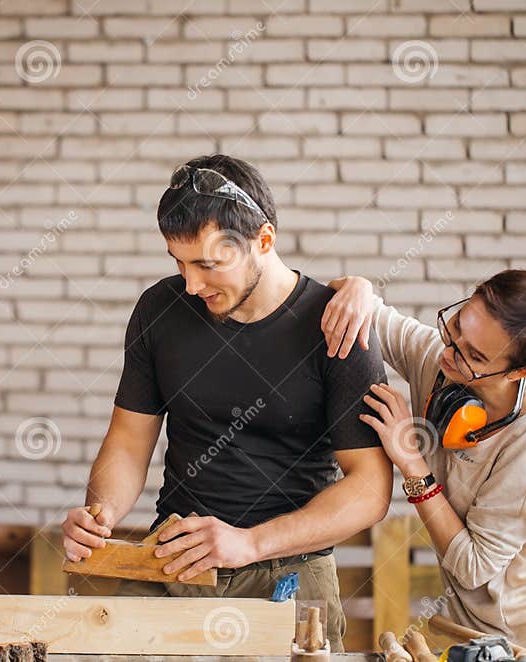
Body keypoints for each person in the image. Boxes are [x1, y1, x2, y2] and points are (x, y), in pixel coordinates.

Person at [61, 154, 393, 652]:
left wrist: (249, 543)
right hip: (174, 560)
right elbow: (129, 442)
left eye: (208, 265)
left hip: (290, 577)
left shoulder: (337, 326)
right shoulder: (160, 309)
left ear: (263, 240)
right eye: (179, 262)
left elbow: (371, 489)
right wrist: (99, 514)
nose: (191, 285)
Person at [322, 270, 526, 651]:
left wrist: (411, 462)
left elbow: (472, 567)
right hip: (475, 640)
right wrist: (358, 287)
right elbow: (358, 306)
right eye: (457, 325)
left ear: (520, 372)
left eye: (474, 355)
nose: (449, 352)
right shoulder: (442, 362)